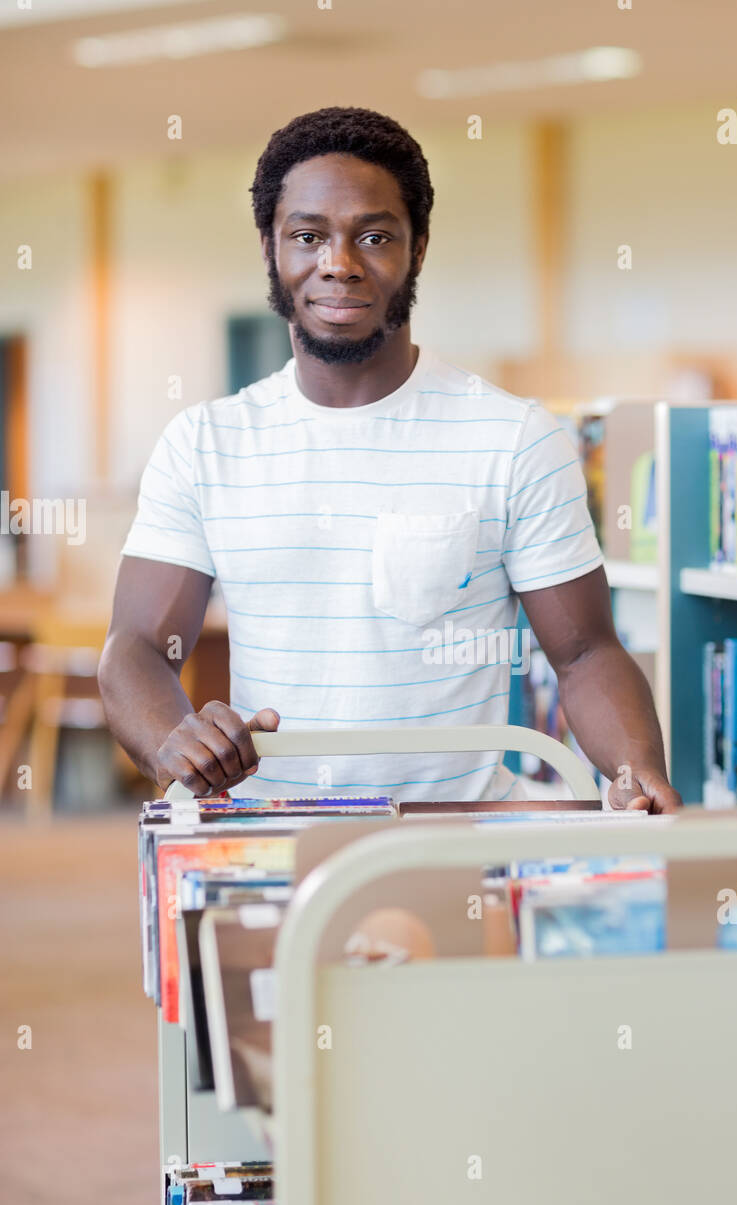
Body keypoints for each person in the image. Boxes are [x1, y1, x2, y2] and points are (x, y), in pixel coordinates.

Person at [99, 107, 681, 813]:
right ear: (270, 250)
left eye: (373, 236)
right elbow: (134, 645)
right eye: (307, 236)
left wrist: (636, 772)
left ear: (418, 248)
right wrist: (173, 738)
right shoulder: (203, 444)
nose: (338, 263)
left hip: (455, 845)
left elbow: (585, 653)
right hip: (262, 841)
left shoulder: (514, 438)